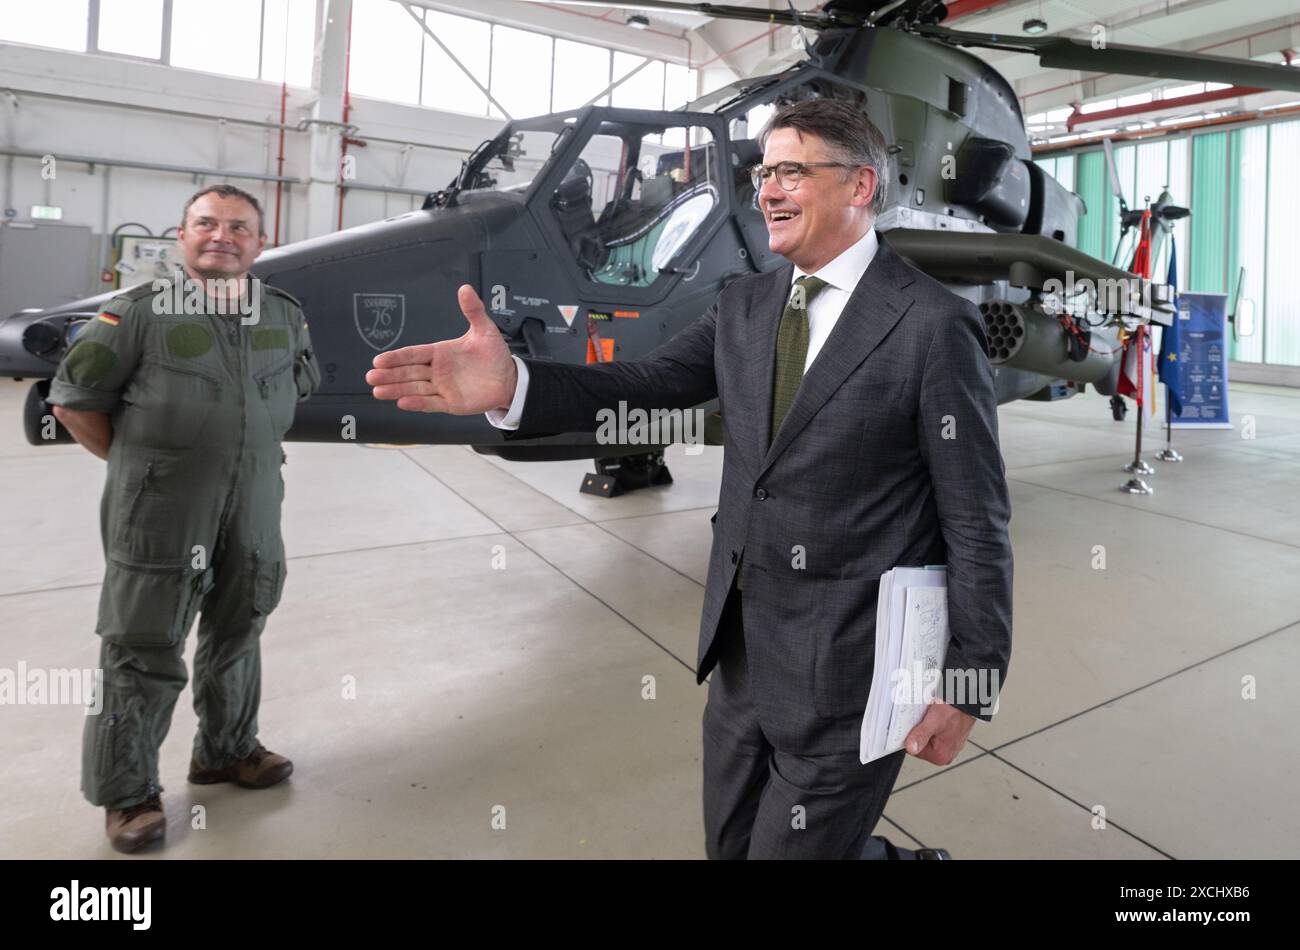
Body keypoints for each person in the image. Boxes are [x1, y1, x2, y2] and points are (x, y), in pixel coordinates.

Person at [367, 98, 1013, 859]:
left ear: (861, 186)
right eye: (764, 172)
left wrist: (969, 683)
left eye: (792, 172)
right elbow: (646, 383)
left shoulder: (932, 324)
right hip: (741, 656)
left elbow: (977, 520)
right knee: (730, 850)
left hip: (856, 669)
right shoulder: (744, 303)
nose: (767, 190)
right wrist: (518, 386)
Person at [49, 184, 321, 853]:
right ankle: (127, 793)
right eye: (206, 224)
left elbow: (300, 385)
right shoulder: (135, 312)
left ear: (260, 243)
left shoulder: (284, 314)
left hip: (254, 500)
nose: (221, 235)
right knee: (142, 645)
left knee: (241, 624)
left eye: (238, 227)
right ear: (182, 235)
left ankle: (226, 752)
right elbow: (74, 400)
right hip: (162, 511)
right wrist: (145, 468)